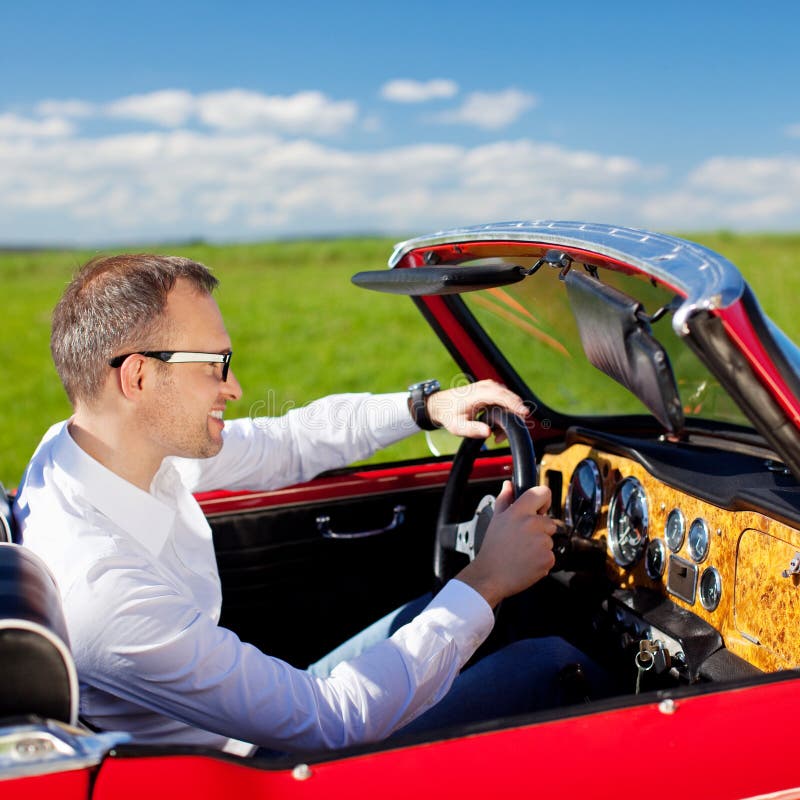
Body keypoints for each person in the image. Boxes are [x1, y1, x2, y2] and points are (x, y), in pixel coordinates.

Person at [14, 253, 593, 756]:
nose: (235, 386)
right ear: (138, 377)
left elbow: (286, 442)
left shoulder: (95, 448)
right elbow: (332, 719)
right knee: (555, 664)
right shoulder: (104, 589)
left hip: (253, 726)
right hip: (252, 767)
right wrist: (489, 578)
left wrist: (427, 406)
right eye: (215, 364)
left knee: (479, 615)